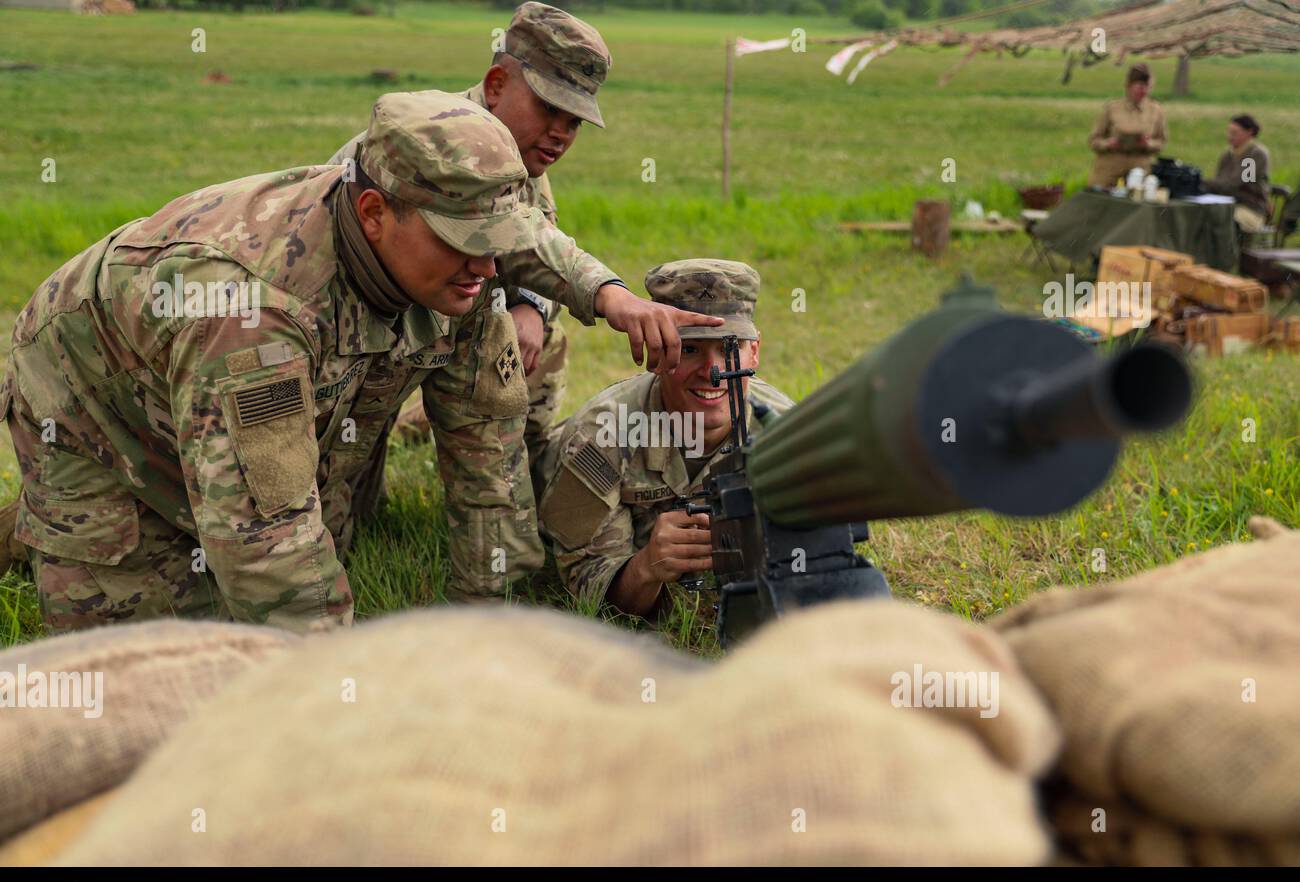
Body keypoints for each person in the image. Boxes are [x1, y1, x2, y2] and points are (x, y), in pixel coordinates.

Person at [0, 91, 718, 633]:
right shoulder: (251, 311)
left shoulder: (461, 275)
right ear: (374, 214)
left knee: (317, 530)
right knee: (173, 651)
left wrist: (491, 630)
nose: (486, 263)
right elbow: (270, 551)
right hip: (96, 408)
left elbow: (488, 467)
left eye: (496, 240)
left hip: (236, 382)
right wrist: (351, 700)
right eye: (462, 240)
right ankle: (47, 522)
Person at [329, 2, 603, 500]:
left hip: (453, 322)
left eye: (575, 122)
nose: (561, 134)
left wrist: (531, 307)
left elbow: (537, 248)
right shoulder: (423, 144)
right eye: (548, 110)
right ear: (496, 85)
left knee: (539, 337)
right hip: (368, 332)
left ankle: (523, 461)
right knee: (347, 507)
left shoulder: (520, 163)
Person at [537, 259, 793, 618]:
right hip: (550, 469)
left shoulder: (787, 435)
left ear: (755, 351)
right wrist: (645, 568)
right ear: (656, 352)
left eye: (729, 347)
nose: (713, 373)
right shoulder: (601, 439)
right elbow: (590, 589)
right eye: (689, 349)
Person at [1087, 63, 1168, 189]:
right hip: (1110, 165)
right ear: (1129, 86)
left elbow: (1161, 142)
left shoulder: (1155, 110)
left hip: (1140, 167)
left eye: (1147, 86)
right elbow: (1094, 140)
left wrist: (1148, 144)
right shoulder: (1112, 108)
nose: (1143, 90)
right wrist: (1108, 143)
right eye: (1139, 86)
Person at [1202, 113, 1272, 232]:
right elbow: (1220, 183)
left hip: (1250, 209)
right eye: (1229, 132)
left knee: (1219, 221)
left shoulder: (1256, 155)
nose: (1229, 136)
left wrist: (1202, 181)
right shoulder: (1227, 155)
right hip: (1228, 206)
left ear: (1249, 132)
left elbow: (1235, 184)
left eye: (1234, 133)